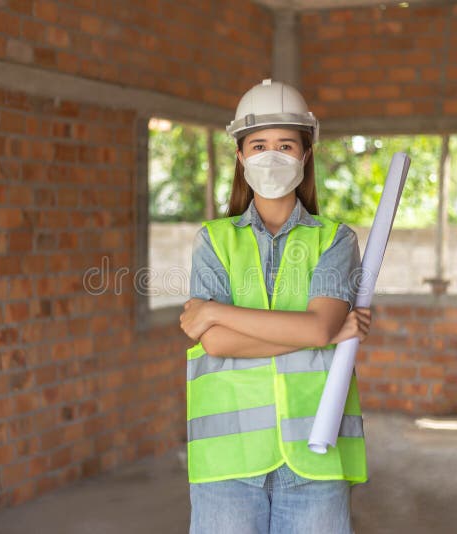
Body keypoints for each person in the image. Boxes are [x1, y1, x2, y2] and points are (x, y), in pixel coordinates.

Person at [179, 79, 372, 534]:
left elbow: (319, 328)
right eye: (259, 144)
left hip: (315, 456)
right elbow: (217, 343)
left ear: (305, 155)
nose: (272, 155)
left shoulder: (336, 239)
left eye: (286, 144)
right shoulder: (213, 241)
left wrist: (216, 310)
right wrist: (309, 331)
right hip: (227, 464)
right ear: (241, 156)